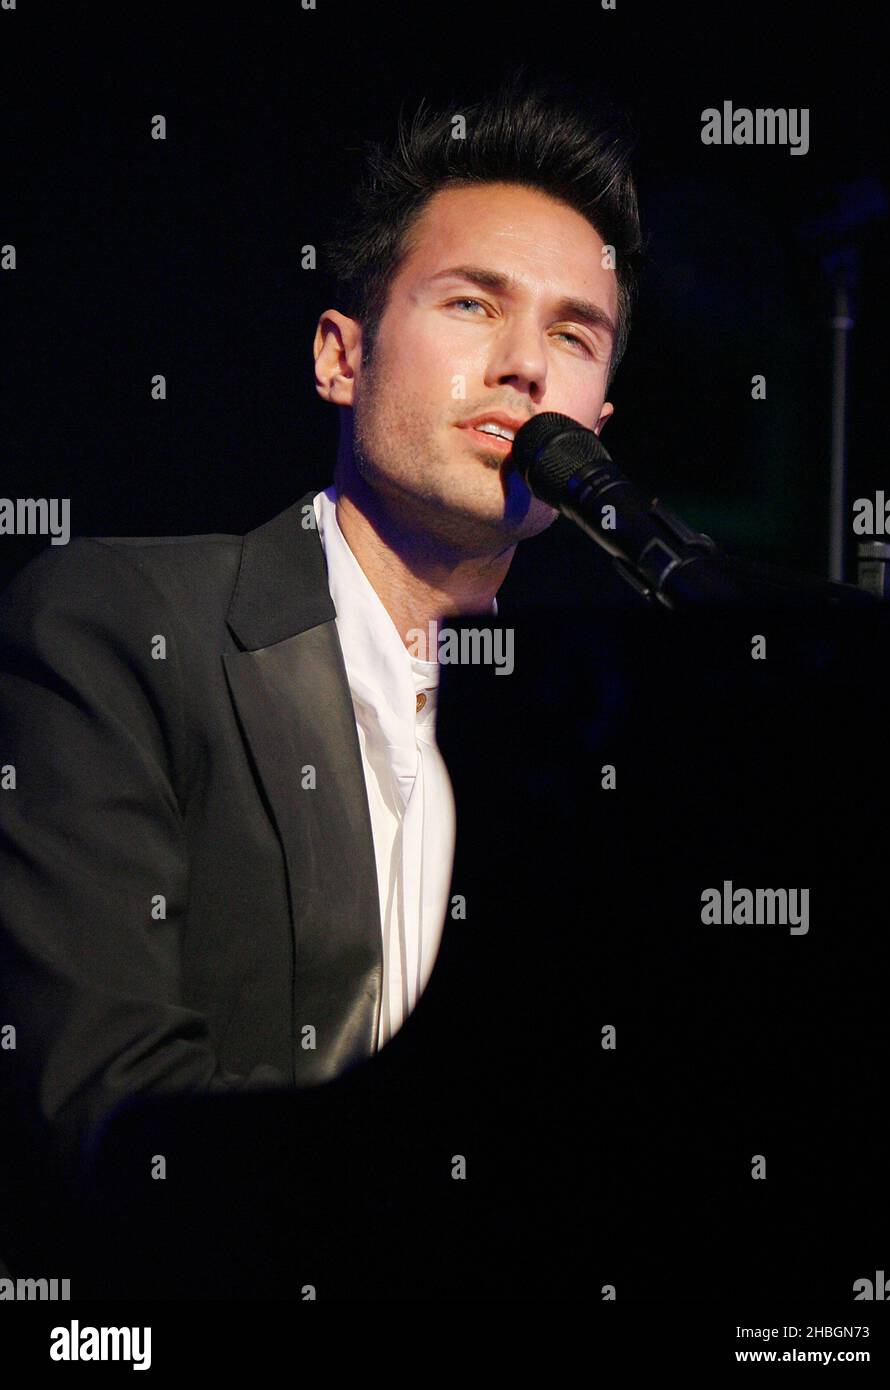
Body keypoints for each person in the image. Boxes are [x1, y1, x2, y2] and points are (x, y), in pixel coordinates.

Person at [0, 67, 643, 1236]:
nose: (524, 365)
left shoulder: (599, 732)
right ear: (338, 358)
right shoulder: (119, 621)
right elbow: (104, 1103)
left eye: (572, 332)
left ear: (596, 424)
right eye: (469, 305)